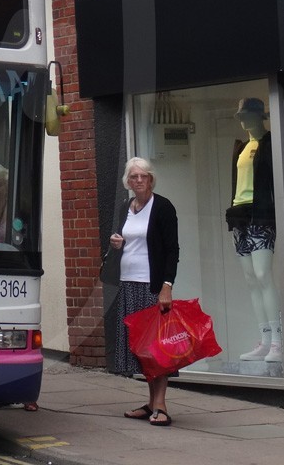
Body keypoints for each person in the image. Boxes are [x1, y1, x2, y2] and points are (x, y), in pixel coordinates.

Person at [105, 156, 179, 427]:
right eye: (134, 176)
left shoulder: (163, 207)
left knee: (157, 348)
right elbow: (128, 241)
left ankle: (161, 405)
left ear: (151, 180)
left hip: (152, 287)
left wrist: (166, 287)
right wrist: (116, 244)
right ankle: (151, 404)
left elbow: (173, 251)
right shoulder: (127, 206)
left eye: (143, 176)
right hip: (128, 284)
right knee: (142, 349)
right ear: (128, 181)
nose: (138, 181)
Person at [227, 97, 281, 363]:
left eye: (249, 115)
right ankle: (266, 338)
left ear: (261, 117)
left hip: (262, 214)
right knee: (250, 278)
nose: (244, 120)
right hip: (240, 215)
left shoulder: (271, 144)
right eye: (241, 116)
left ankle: (279, 341)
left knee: (263, 274)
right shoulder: (242, 147)